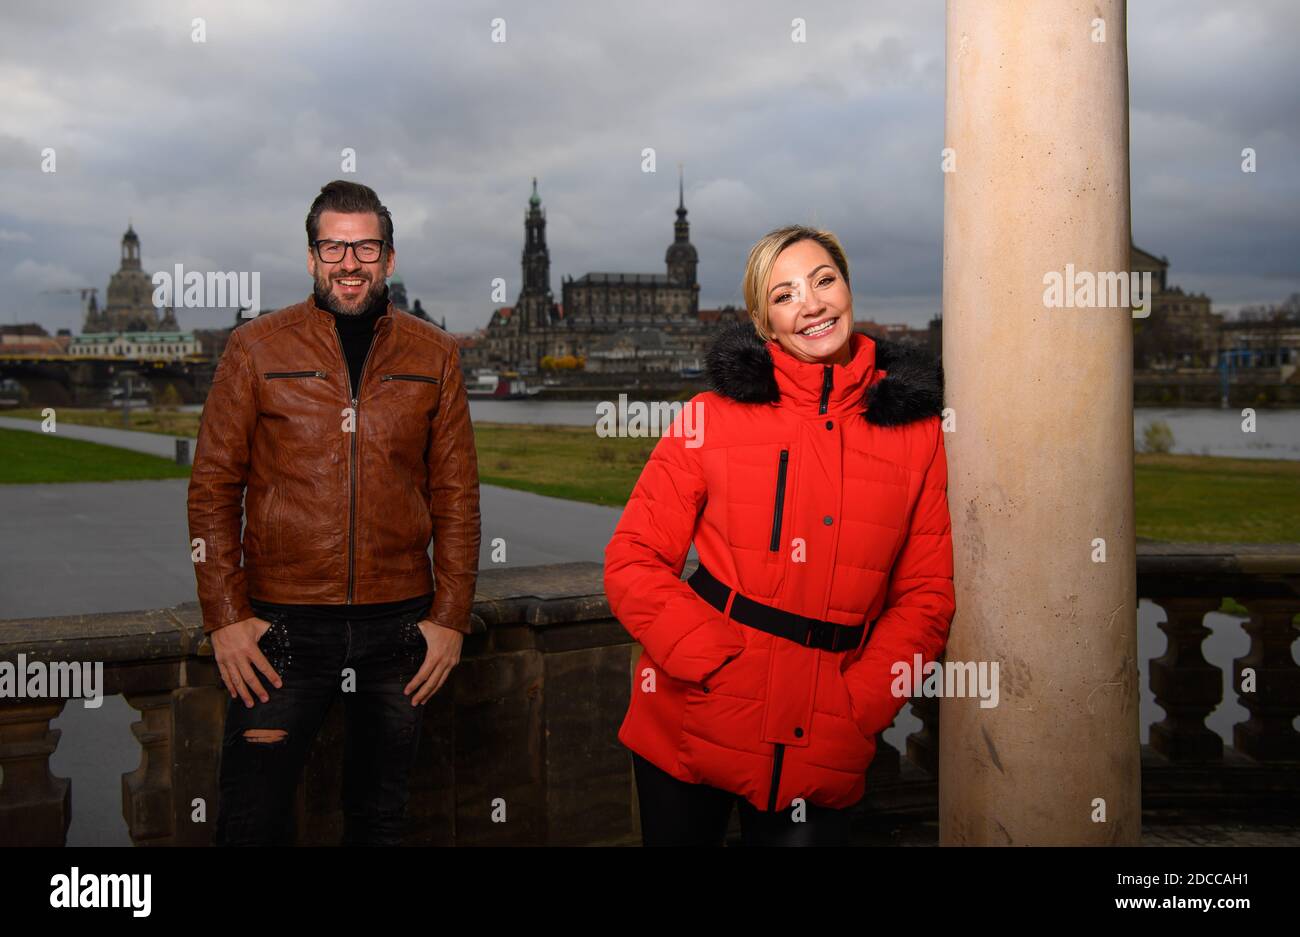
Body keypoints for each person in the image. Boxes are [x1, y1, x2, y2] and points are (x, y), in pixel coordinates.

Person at [604, 224, 954, 846]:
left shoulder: (917, 434)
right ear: (765, 320)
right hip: (691, 717)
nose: (812, 304)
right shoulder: (709, 417)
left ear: (847, 287)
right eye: (786, 293)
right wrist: (707, 662)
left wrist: (863, 705)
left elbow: (926, 595)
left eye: (824, 280)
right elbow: (633, 558)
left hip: (825, 735)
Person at [187, 179, 481, 845]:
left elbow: (457, 496)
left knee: (381, 819)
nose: (350, 261)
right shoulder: (256, 347)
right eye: (334, 246)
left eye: (365, 246)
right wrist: (226, 618)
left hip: (399, 626)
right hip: (282, 630)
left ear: (390, 257)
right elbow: (211, 488)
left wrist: (451, 616)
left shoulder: (434, 353)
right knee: (251, 821)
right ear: (313, 256)